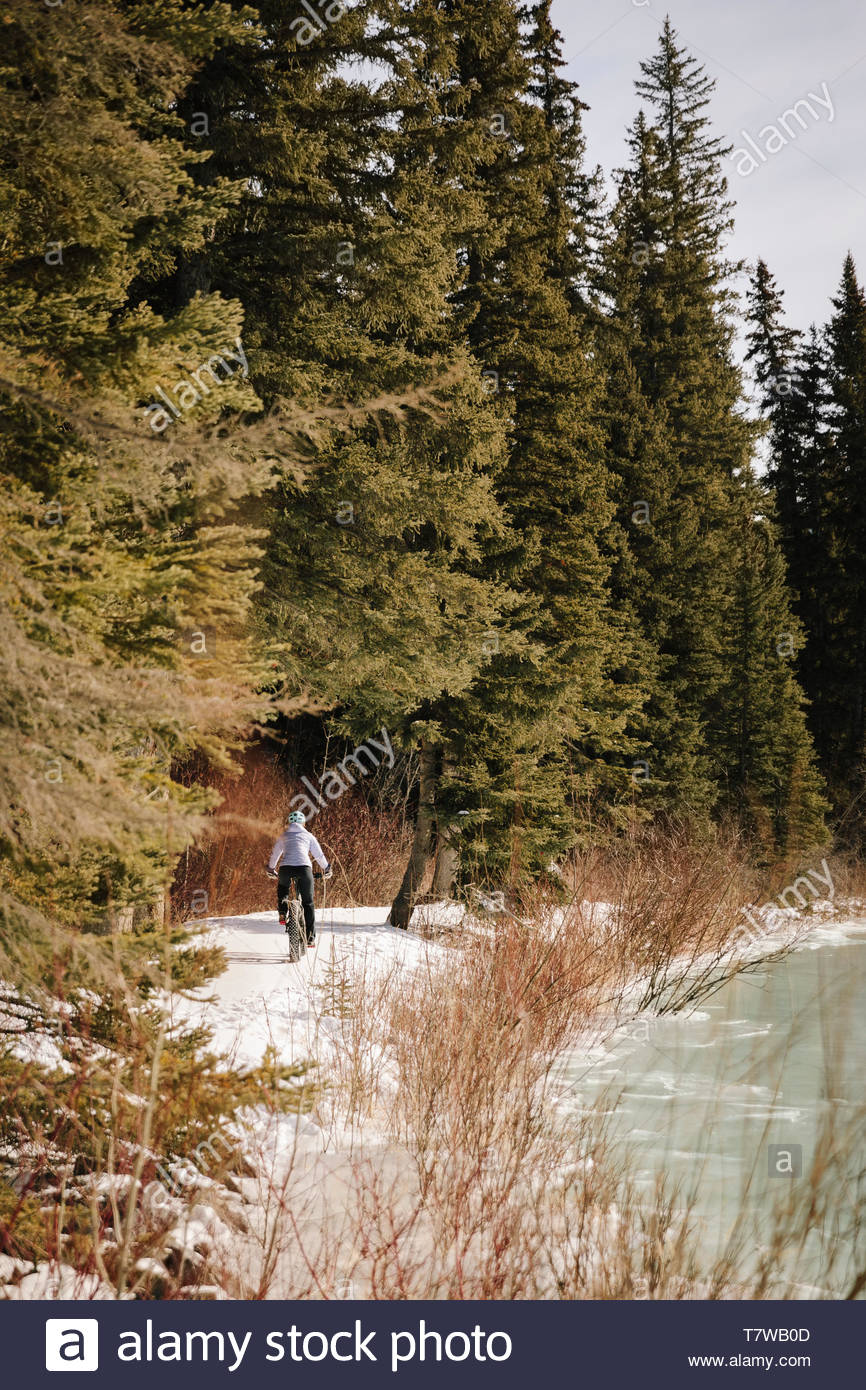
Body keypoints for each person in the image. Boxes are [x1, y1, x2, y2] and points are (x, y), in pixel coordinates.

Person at [266, 811, 332, 946]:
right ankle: (310, 938)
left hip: (286, 869)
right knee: (308, 903)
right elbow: (319, 855)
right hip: (304, 869)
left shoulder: (283, 836)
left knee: (283, 887)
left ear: (289, 823)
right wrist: (327, 869)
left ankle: (283, 911)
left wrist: (271, 869)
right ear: (303, 823)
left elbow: (275, 855)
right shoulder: (308, 836)